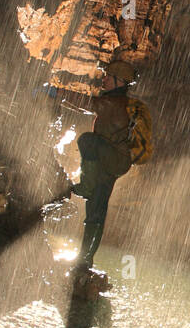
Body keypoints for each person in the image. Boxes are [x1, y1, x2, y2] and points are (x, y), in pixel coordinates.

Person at [58, 59, 152, 276]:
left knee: (87, 141)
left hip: (113, 160)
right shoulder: (118, 102)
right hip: (111, 161)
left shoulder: (116, 103)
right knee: (95, 211)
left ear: (120, 81)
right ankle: (84, 261)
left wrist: (56, 93)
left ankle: (87, 185)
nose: (105, 79)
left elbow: (84, 102)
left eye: (109, 77)